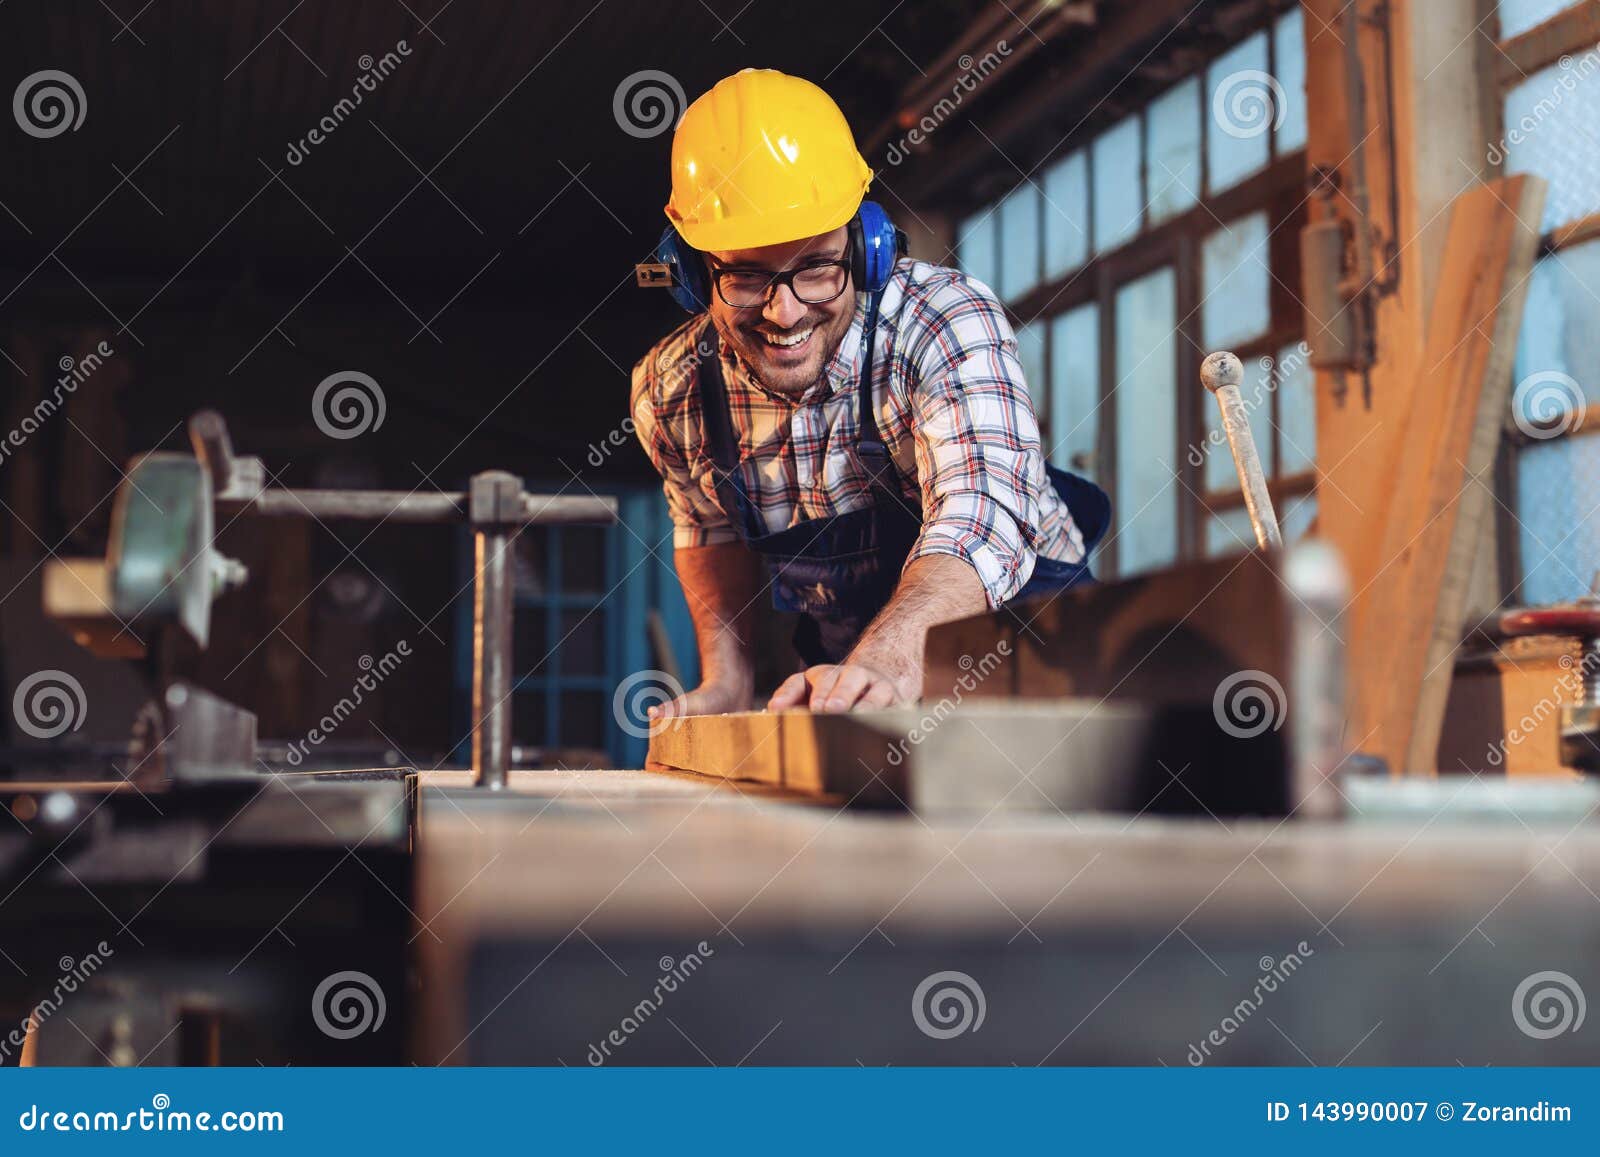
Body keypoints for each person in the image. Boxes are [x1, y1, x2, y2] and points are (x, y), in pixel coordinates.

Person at [630, 69, 1108, 717]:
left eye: (817, 267)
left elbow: (980, 512)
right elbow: (708, 528)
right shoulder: (673, 389)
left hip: (1033, 672)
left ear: (865, 247)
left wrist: (884, 660)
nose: (786, 312)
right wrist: (727, 680)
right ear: (692, 271)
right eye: (746, 276)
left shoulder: (942, 320)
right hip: (855, 687)